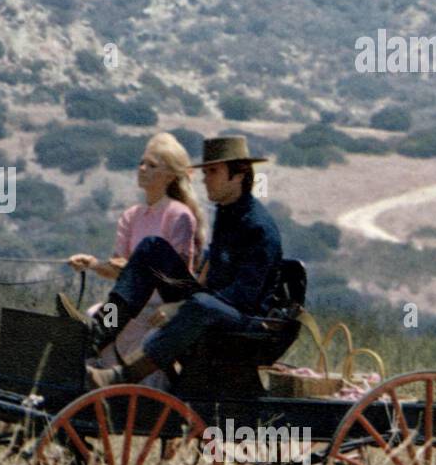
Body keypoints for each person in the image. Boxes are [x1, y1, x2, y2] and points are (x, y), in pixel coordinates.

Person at [76, 136, 282, 388]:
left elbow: (243, 296)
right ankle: (96, 335)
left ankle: (122, 375)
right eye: (205, 171)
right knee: (152, 248)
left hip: (245, 320)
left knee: (202, 304)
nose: (205, 178)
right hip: (208, 304)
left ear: (238, 176)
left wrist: (182, 305)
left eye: (213, 171)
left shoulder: (257, 226)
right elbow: (210, 271)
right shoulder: (227, 212)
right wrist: (187, 297)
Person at [58, 134, 204, 384]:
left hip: (160, 302)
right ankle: (92, 366)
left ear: (170, 176)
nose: (142, 169)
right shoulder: (131, 216)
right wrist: (92, 264)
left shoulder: (178, 216)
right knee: (100, 313)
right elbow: (122, 273)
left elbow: (178, 272)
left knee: (113, 320)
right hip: (129, 302)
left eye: (152, 165)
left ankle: (125, 382)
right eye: (141, 163)